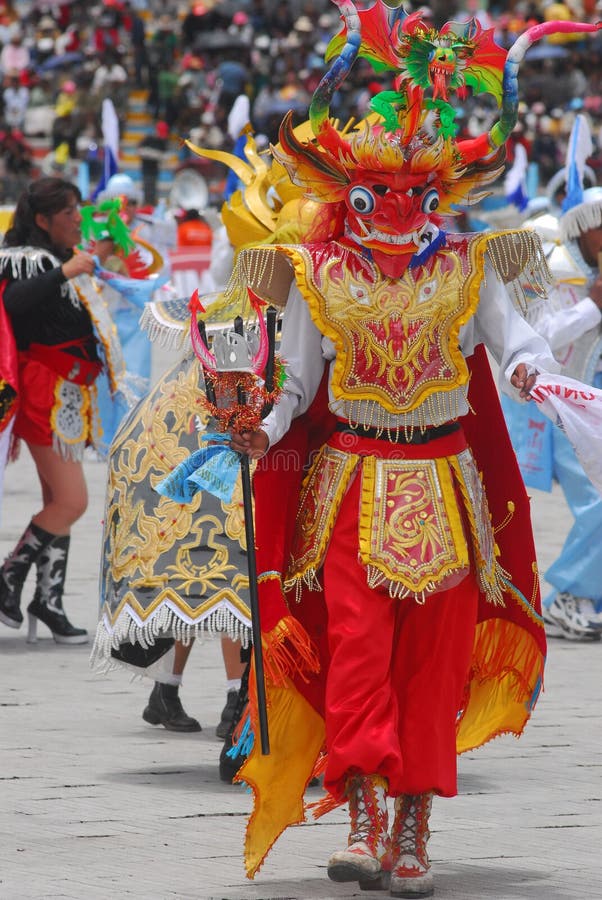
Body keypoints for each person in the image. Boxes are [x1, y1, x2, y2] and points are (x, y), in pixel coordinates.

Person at [221, 4, 596, 894]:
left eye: (418, 195)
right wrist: (261, 431)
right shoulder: (317, 274)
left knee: (432, 661)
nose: (395, 213)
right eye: (374, 194)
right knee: (355, 648)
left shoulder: (474, 264)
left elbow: (517, 345)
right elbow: (298, 386)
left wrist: (534, 378)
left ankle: (414, 825)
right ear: (346, 195)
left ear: (442, 195)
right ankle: (357, 808)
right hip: (348, 483)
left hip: (445, 484)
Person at [0, 177, 122, 643]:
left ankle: (47, 600)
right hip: (42, 390)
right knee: (74, 501)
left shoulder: (57, 259)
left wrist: (100, 254)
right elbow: (11, 304)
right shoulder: (25, 259)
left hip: (70, 392)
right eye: (69, 211)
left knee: (60, 503)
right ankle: (9, 576)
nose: (78, 218)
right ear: (43, 220)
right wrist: (68, 271)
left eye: (79, 209)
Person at [503, 117, 602, 641]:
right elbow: (540, 339)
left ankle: (584, 594)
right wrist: (591, 307)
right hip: (561, 406)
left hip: (594, 398)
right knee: (599, 503)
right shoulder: (557, 266)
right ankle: (565, 593)